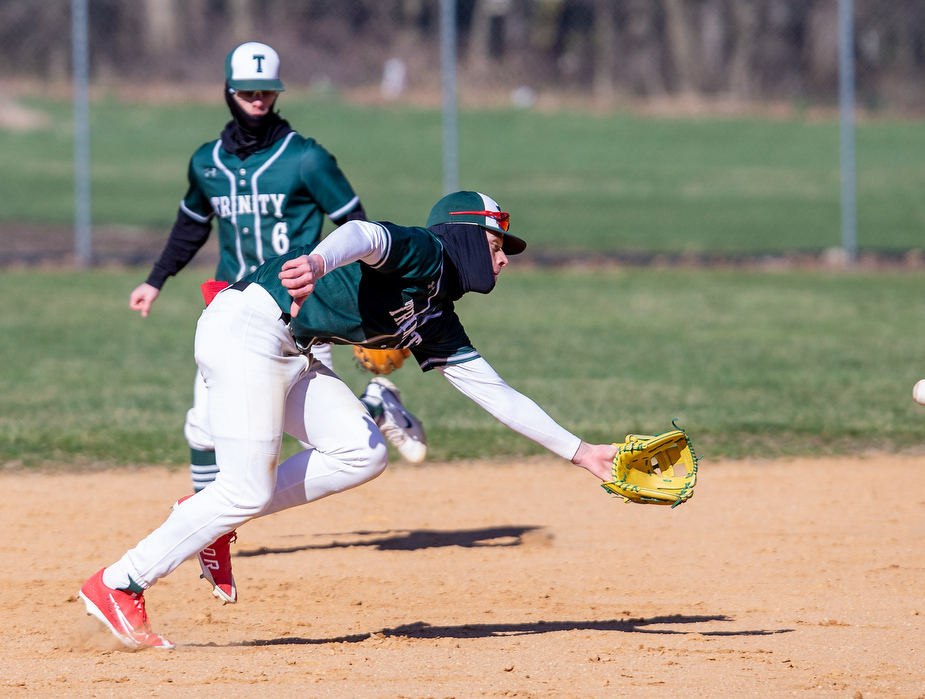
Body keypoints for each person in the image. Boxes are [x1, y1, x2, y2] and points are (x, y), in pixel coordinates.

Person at [80, 191, 618, 650]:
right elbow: (363, 232)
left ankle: (207, 518)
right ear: (467, 236)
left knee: (363, 452)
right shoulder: (425, 247)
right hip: (246, 327)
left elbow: (495, 392)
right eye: (497, 245)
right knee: (243, 489)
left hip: (289, 348)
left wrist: (582, 451)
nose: (503, 260)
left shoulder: (436, 310)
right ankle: (121, 583)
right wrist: (317, 262)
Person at [129, 42, 426, 603]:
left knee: (322, 427)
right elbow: (190, 226)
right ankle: (211, 536)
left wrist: (363, 290)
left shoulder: (306, 158)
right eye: (247, 91)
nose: (258, 100)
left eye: (267, 91)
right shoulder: (206, 162)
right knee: (201, 427)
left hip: (300, 309)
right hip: (230, 311)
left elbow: (355, 223)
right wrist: (156, 279)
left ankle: (211, 529)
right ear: (228, 91)